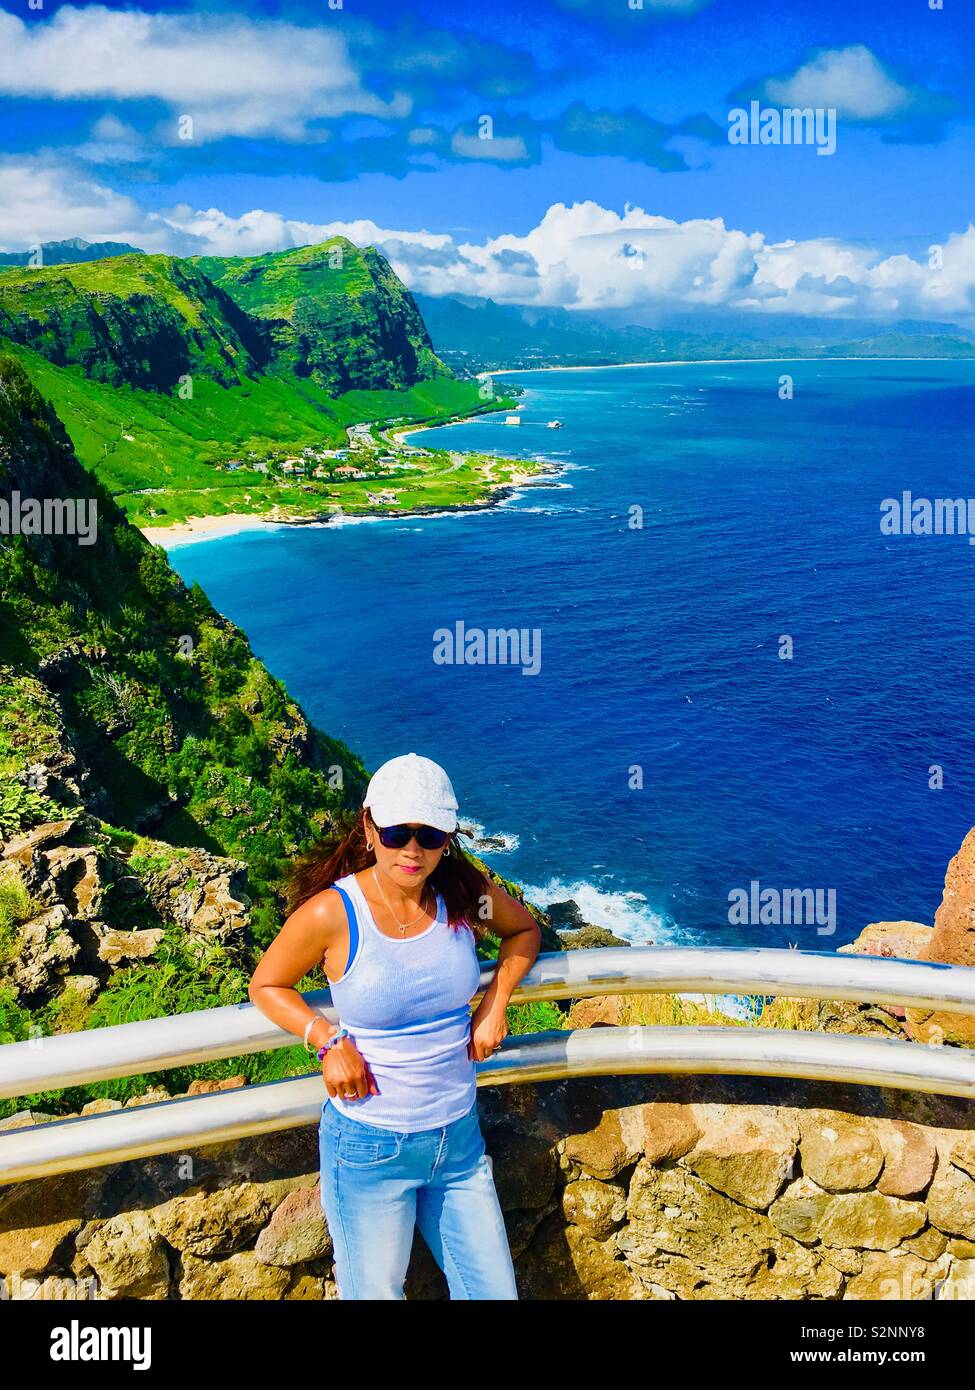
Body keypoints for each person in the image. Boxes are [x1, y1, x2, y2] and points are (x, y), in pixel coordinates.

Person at [248, 752, 542, 1300]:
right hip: (369, 1145)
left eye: (429, 834)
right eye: (396, 832)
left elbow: (523, 930)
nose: (412, 848)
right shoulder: (333, 913)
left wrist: (494, 1004)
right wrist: (326, 1039)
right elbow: (267, 985)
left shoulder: (459, 892)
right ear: (368, 826)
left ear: (448, 837)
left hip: (457, 1139)